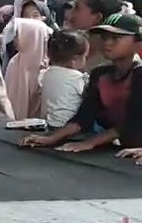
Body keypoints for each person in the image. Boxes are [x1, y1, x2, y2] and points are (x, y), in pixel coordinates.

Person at [21, 11, 142, 152]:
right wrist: (51, 138)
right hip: (124, 147)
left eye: (116, 38)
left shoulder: (139, 74)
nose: (107, 43)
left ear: (138, 43)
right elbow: (84, 116)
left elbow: (132, 121)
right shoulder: (99, 74)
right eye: (104, 37)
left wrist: (90, 143)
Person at [40, 30, 89, 129]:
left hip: (49, 124)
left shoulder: (46, 73)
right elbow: (89, 96)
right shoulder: (77, 78)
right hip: (68, 126)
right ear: (74, 59)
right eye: (85, 56)